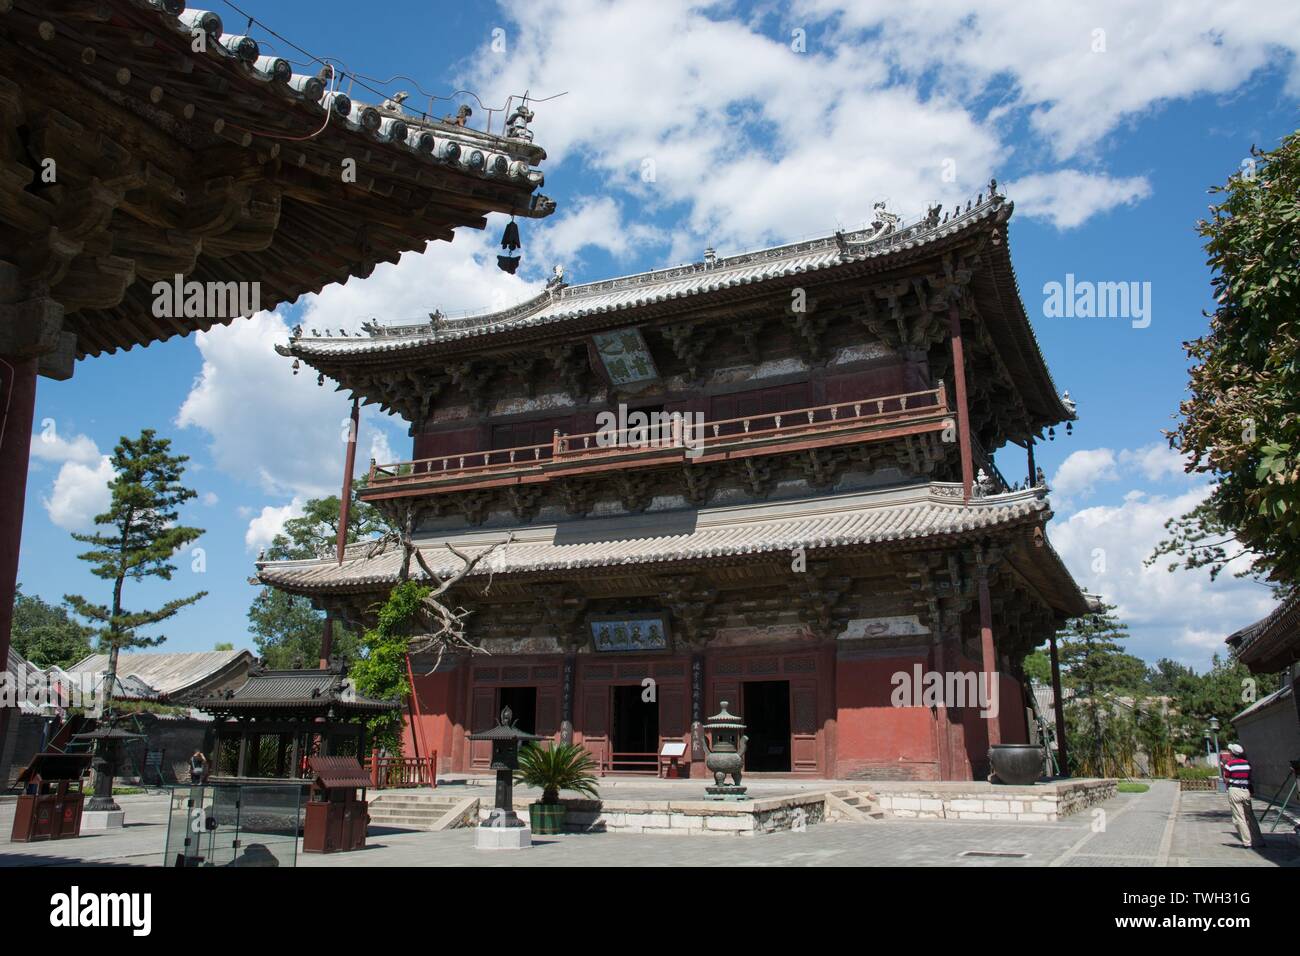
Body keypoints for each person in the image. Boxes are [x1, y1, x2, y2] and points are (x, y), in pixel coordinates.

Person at [1221, 742, 1263, 848]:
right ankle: (1258, 840)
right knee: (1250, 816)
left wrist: (1224, 769)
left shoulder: (1229, 764)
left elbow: (1226, 779)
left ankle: (1247, 842)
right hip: (1246, 791)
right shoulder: (1247, 764)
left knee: (1239, 817)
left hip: (1235, 790)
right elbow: (1249, 779)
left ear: (1232, 753)